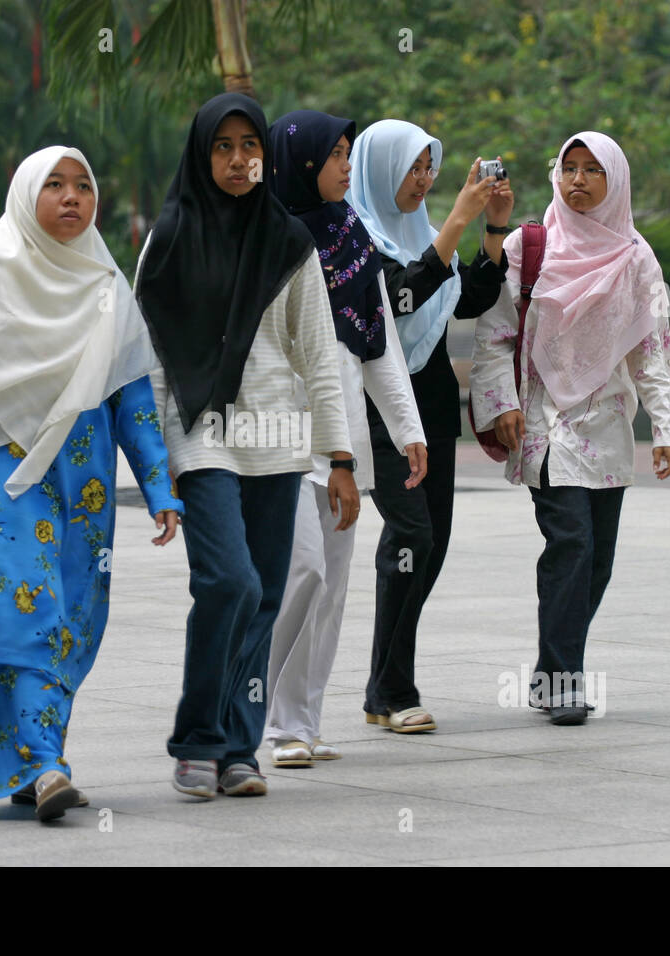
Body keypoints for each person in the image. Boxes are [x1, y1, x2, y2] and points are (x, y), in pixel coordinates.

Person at [0, 146, 181, 822]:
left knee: (74, 615)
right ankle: (48, 765)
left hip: (86, 481)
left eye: (84, 185)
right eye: (55, 185)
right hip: (2, 470)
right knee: (23, 607)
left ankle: (26, 753)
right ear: (26, 194)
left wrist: (160, 487)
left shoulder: (106, 285)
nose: (73, 197)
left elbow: (132, 398)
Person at [135, 92, 358, 800]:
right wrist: (158, 469)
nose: (239, 160)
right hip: (202, 437)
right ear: (203, 156)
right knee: (228, 582)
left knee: (264, 594)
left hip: (277, 440)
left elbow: (320, 355)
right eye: (223, 148)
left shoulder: (288, 240)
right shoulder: (167, 238)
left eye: (250, 147)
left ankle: (238, 747)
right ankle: (197, 739)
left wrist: (341, 457)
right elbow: (152, 364)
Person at [470, 131, 670, 725]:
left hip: (609, 425)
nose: (579, 180)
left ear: (616, 181)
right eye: (570, 168)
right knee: (571, 543)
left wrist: (665, 429)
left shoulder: (637, 257)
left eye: (594, 170)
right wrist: (499, 404)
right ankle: (565, 679)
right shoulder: (526, 247)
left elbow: (653, 351)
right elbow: (494, 333)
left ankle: (547, 671)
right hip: (543, 421)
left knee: (598, 561)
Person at [262, 110, 427, 767]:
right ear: (299, 161)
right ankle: (268, 714)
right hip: (279, 440)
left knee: (329, 587)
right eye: (333, 155)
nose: (344, 166)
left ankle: (300, 722)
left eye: (347, 154)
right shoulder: (266, 237)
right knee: (298, 571)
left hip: (344, 443)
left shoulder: (352, 235)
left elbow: (377, 342)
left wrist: (407, 428)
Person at [344, 120, 510, 733]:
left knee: (427, 547)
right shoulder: (354, 240)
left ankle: (384, 689)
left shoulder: (418, 231)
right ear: (381, 170)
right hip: (383, 408)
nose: (424, 181)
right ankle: (391, 690)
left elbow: (468, 297)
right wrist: (457, 225)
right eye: (412, 169)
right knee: (410, 535)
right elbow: (399, 300)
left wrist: (493, 225)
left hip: (433, 406)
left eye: (428, 168)